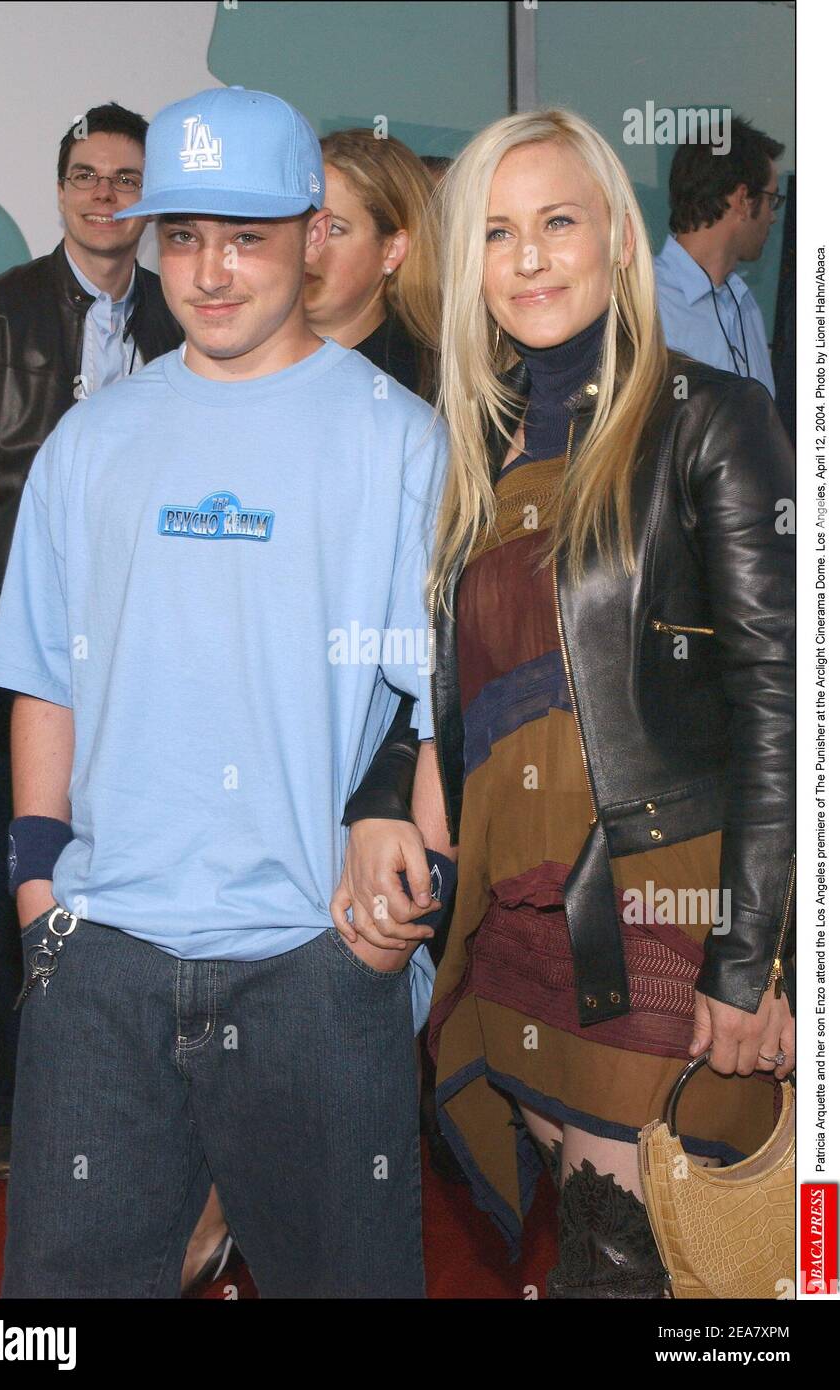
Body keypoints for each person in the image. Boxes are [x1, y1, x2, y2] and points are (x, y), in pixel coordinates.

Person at [0, 84, 447, 1299]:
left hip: (313, 966)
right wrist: (43, 907)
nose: (212, 271)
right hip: (103, 965)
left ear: (310, 230)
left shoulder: (402, 442)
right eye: (183, 236)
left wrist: (406, 906)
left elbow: (440, 706)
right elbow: (42, 678)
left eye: (247, 237)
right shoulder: (92, 440)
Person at [335, 107, 795, 1298]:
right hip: (514, 918)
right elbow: (440, 680)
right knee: (589, 1254)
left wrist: (751, 960)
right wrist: (384, 796)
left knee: (636, 1263)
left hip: (660, 914)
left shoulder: (713, 420)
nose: (529, 257)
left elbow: (780, 705)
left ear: (617, 242)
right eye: (495, 231)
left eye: (556, 223)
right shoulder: (464, 447)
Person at [0, 101, 181, 1182]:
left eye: (127, 178)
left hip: (165, 654)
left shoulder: (191, 316)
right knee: (24, 875)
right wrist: (0, 603)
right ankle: (22, 1109)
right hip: (25, 661)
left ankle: (158, 1100)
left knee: (150, 871)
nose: (105, 195)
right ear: (60, 186)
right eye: (87, 175)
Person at [654, 116, 785, 397]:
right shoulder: (644, 302)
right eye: (771, 199)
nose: (772, 217)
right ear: (742, 199)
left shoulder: (743, 302)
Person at [304, 129, 439, 399]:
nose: (307, 247)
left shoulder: (424, 391)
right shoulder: (224, 357)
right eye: (298, 224)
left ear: (392, 250)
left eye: (333, 230)